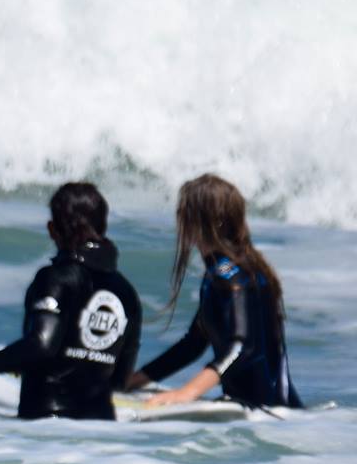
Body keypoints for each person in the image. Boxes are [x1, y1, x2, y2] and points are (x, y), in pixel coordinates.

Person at [0, 181, 141, 420]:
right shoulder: (127, 293)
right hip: (101, 431)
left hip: (46, 427)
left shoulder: (55, 278)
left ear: (52, 229)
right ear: (104, 226)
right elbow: (119, 378)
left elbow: (40, 345)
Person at [126, 173, 301, 409]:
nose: (179, 219)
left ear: (210, 221)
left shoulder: (234, 279)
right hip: (262, 411)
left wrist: (187, 392)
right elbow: (194, 343)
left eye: (185, 212)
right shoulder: (228, 273)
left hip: (269, 412)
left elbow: (242, 348)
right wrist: (136, 380)